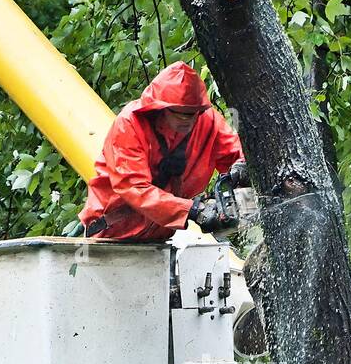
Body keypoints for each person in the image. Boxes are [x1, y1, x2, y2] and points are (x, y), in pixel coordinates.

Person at [75, 61, 248, 240]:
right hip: (111, 236)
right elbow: (134, 188)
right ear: (160, 108)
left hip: (158, 240)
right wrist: (193, 210)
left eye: (193, 113)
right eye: (180, 114)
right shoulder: (129, 125)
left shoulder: (208, 120)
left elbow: (236, 153)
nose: (188, 120)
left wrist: (241, 168)